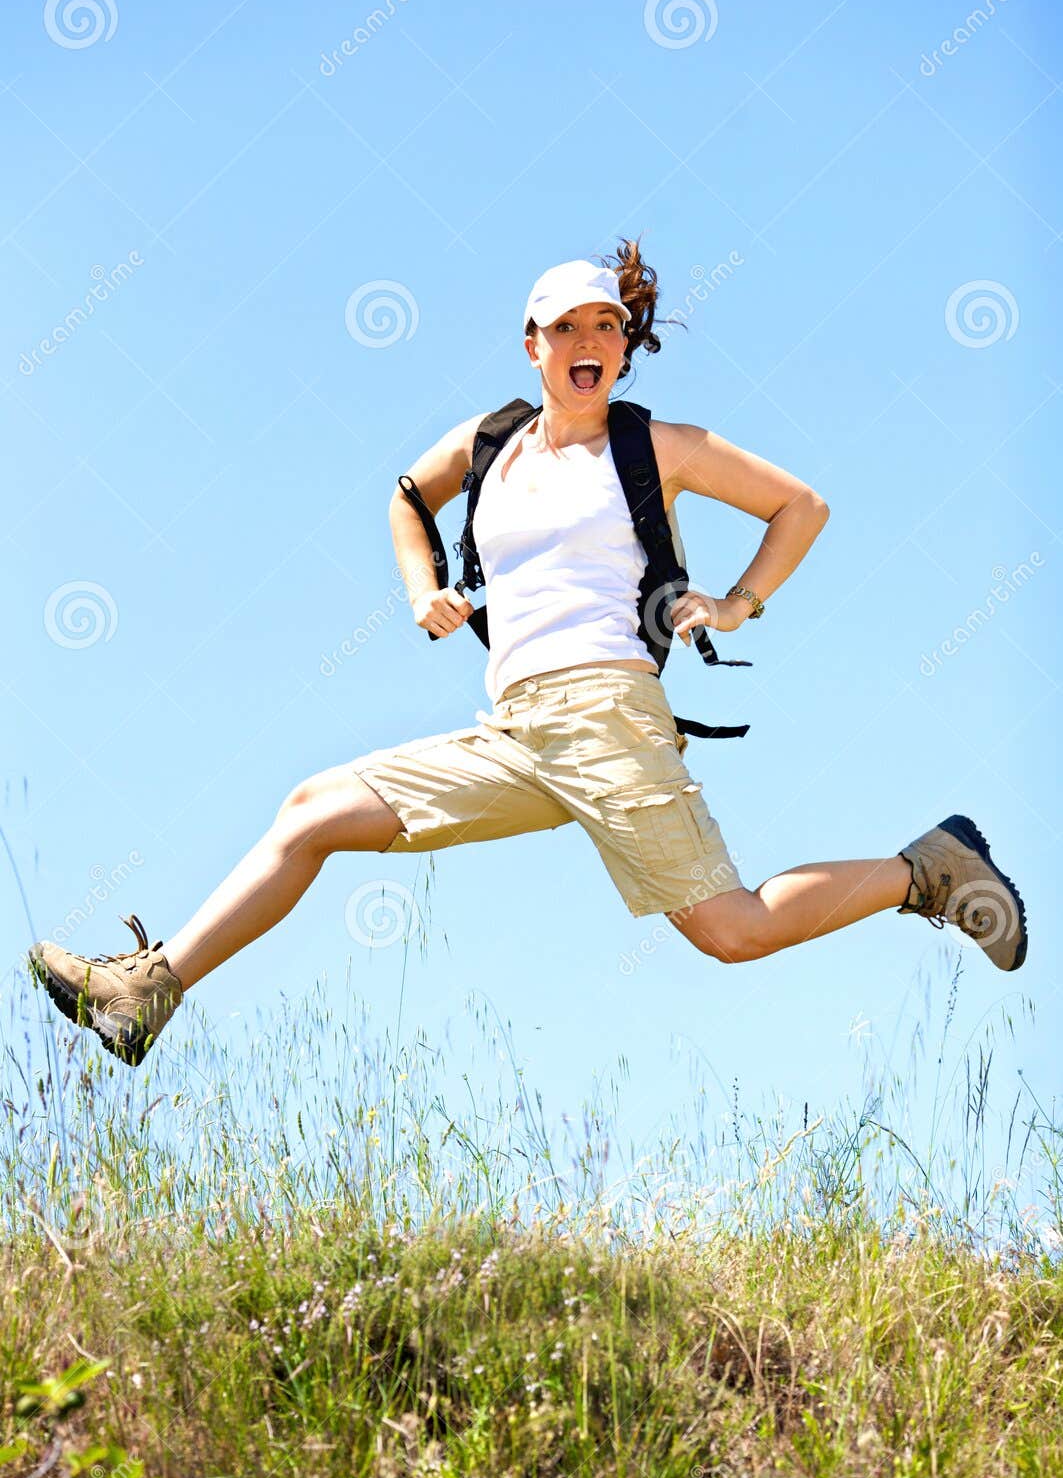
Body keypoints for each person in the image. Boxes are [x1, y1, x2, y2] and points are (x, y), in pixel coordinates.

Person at [27, 241, 1028, 1067]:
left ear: (625, 348)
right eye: (566, 330)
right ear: (532, 346)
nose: (588, 343)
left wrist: (738, 601)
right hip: (512, 731)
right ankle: (148, 988)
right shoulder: (491, 443)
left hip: (608, 719)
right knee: (313, 810)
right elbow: (406, 499)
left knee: (732, 932)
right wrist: (425, 592)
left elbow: (799, 505)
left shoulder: (656, 445)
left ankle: (925, 873)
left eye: (606, 328)